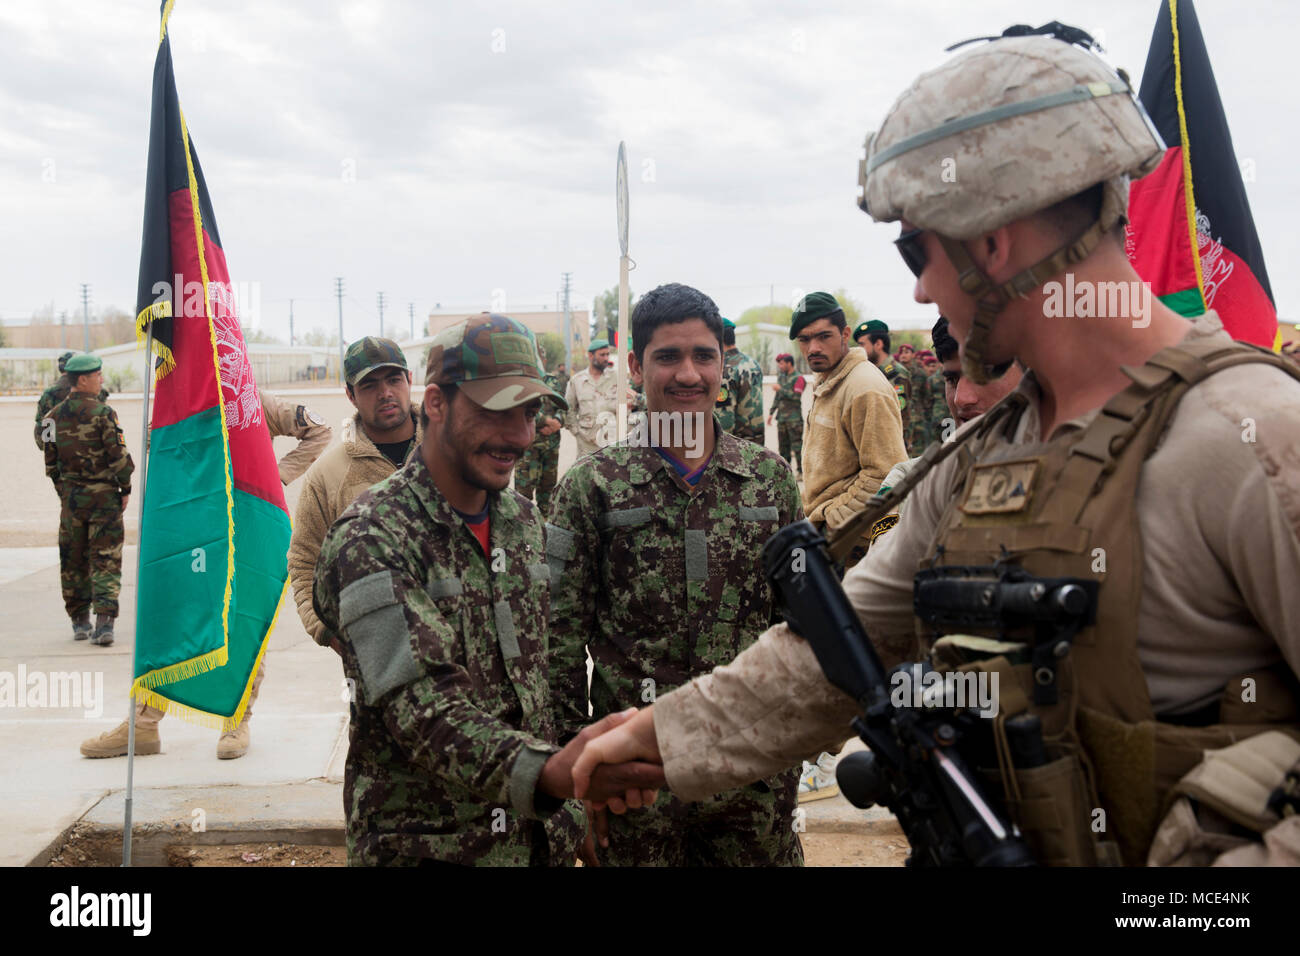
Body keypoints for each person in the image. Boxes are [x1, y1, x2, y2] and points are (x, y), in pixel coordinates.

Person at [571, 29, 1300, 867]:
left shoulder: (1249, 437)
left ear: (991, 242)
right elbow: (835, 653)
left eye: (918, 249)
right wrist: (654, 737)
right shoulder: (983, 457)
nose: (918, 289)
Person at [312, 312, 659, 866]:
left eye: (529, 412)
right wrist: (553, 775)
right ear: (436, 403)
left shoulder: (524, 523)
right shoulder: (369, 540)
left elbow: (543, 680)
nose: (519, 435)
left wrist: (574, 802)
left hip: (535, 842)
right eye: (496, 410)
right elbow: (421, 710)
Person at [547, 283, 804, 866]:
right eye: (668, 357)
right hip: (634, 784)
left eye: (703, 356)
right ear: (636, 367)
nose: (688, 373)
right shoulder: (592, 488)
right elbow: (556, 646)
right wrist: (573, 789)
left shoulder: (770, 481)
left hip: (751, 777)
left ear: (724, 364)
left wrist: (791, 755)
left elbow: (799, 625)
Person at [80, 387, 330, 760]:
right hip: (190, 524)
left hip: (241, 522)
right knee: (167, 616)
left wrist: (274, 477)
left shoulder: (247, 398)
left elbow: (319, 432)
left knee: (241, 616)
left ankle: (237, 718)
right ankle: (144, 722)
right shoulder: (176, 398)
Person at [291, 336, 420, 650]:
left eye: (393, 379)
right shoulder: (327, 477)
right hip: (376, 659)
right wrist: (328, 633)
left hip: (464, 655)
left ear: (409, 380)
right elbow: (304, 561)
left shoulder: (452, 455)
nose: (385, 392)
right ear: (350, 394)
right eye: (370, 385)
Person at [794, 294, 907, 565]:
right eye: (804, 339)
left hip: (850, 542)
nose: (813, 348)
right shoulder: (829, 379)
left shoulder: (864, 388)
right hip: (828, 534)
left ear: (845, 334)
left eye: (823, 337)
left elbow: (886, 473)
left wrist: (832, 520)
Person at [43, 353, 133, 646]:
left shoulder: (50, 418)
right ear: (83, 380)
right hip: (105, 499)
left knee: (73, 558)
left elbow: (50, 463)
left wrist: (65, 491)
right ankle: (104, 624)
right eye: (97, 376)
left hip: (71, 501)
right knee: (105, 558)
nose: (101, 380)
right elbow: (119, 458)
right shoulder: (104, 414)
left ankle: (79, 620)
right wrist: (125, 488)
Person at [854, 319, 913, 449]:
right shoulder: (871, 372)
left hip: (892, 445)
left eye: (862, 345)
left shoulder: (896, 374)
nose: (859, 350)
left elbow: (900, 415)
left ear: (878, 344)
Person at [34, 350, 109, 452]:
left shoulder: (49, 394)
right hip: (92, 455)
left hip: (61, 457)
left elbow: (41, 435)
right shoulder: (94, 389)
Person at [516, 367, 565, 515]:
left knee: (548, 490)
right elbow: (519, 408)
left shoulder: (552, 380)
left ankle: (546, 526)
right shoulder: (521, 378)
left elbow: (563, 406)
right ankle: (523, 527)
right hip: (528, 447)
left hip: (551, 445)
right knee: (523, 492)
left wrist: (557, 421)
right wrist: (545, 421)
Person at [565, 338, 619, 458]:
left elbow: (626, 406)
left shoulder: (616, 378)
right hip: (586, 444)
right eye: (602, 355)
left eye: (607, 354)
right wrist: (577, 433)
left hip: (611, 442)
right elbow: (569, 409)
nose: (606, 358)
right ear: (590, 355)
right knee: (586, 476)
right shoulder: (577, 380)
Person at [716, 318, 765, 443]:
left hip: (739, 446)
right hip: (757, 439)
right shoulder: (753, 363)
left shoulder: (725, 369)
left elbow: (725, 418)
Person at [766, 352, 805, 477]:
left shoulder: (799, 378)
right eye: (779, 364)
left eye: (782, 364)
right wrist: (771, 412)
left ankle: (801, 471)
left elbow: (796, 397)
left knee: (797, 447)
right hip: (782, 418)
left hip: (794, 420)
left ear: (789, 363)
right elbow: (778, 397)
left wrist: (780, 389)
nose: (780, 366)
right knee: (783, 448)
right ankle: (786, 474)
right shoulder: (781, 377)